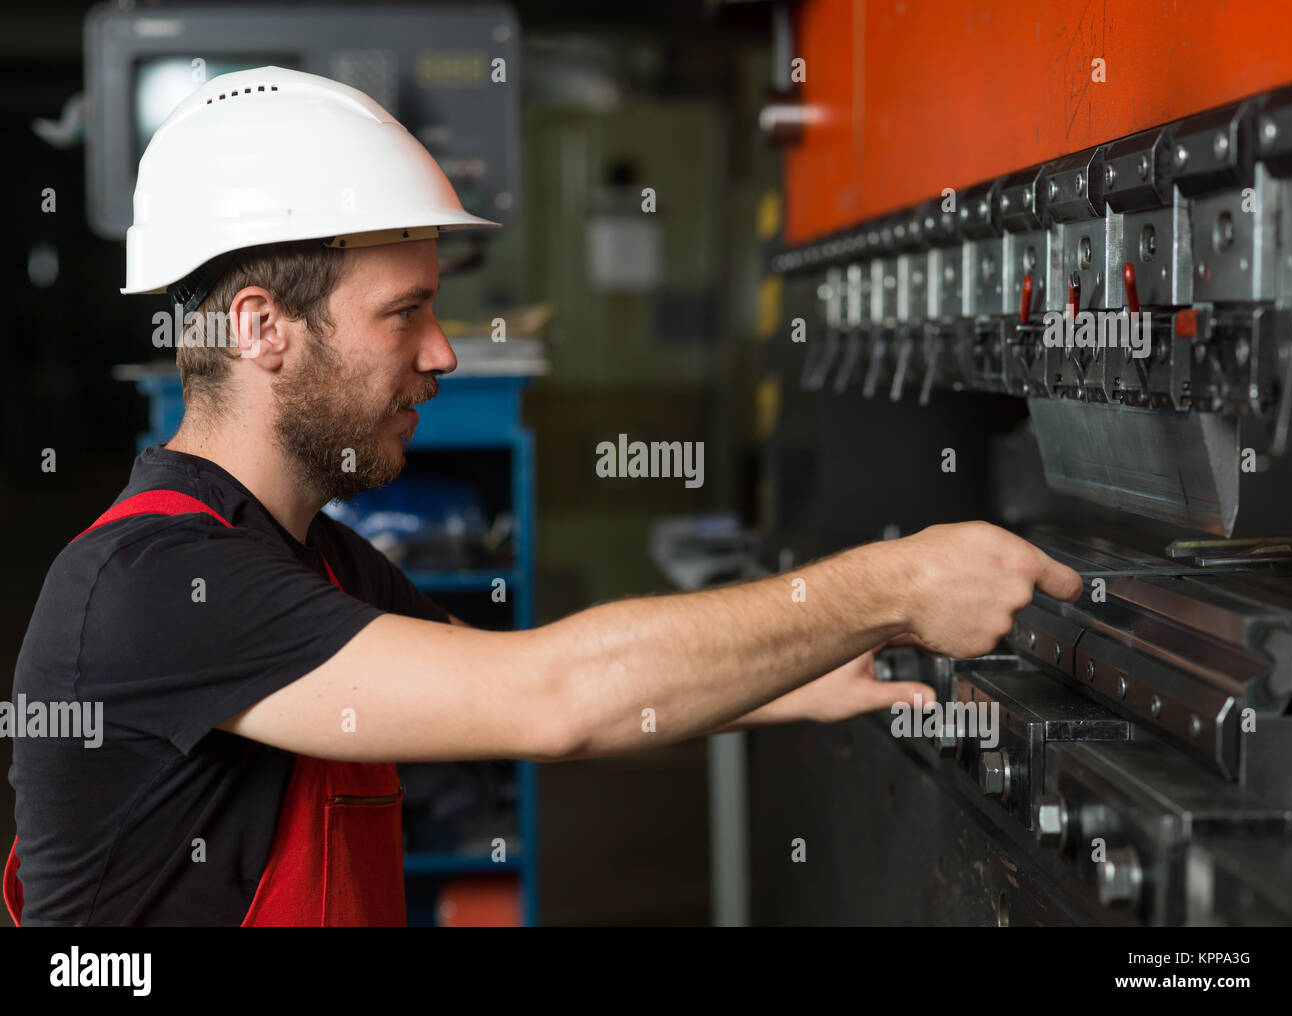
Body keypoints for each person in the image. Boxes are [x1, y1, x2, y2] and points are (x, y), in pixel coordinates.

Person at [5, 67, 1082, 927]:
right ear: (259, 328)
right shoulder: (152, 587)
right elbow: (551, 697)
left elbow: (526, 682)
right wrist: (889, 586)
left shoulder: (307, 560)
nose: (441, 353)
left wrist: (799, 673)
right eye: (405, 312)